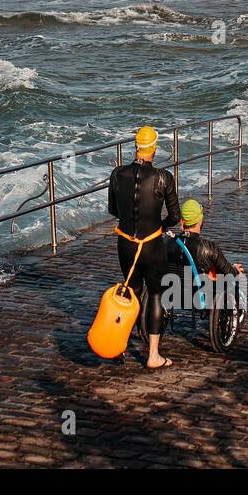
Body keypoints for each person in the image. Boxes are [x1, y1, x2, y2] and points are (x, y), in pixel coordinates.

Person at [107, 125, 181, 369]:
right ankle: (153, 356)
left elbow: (113, 211)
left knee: (131, 292)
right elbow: (175, 216)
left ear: (136, 146)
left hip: (125, 244)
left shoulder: (118, 174)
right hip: (151, 245)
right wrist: (158, 225)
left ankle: (118, 346)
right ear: (154, 147)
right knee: (157, 293)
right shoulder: (163, 178)